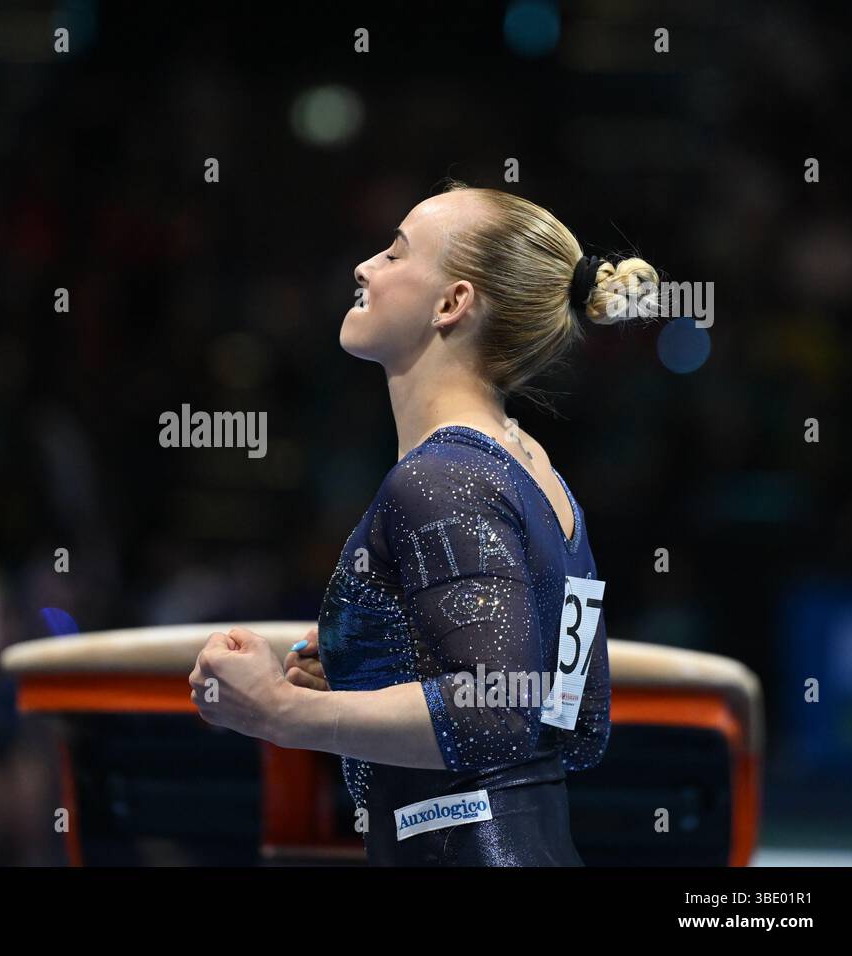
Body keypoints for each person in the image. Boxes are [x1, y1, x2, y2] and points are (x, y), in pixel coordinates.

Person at [188, 180, 660, 865]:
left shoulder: (443, 480)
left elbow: (494, 713)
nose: (364, 267)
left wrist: (280, 713)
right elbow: (575, 722)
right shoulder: (534, 470)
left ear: (451, 303)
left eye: (394, 253)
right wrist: (362, 667)